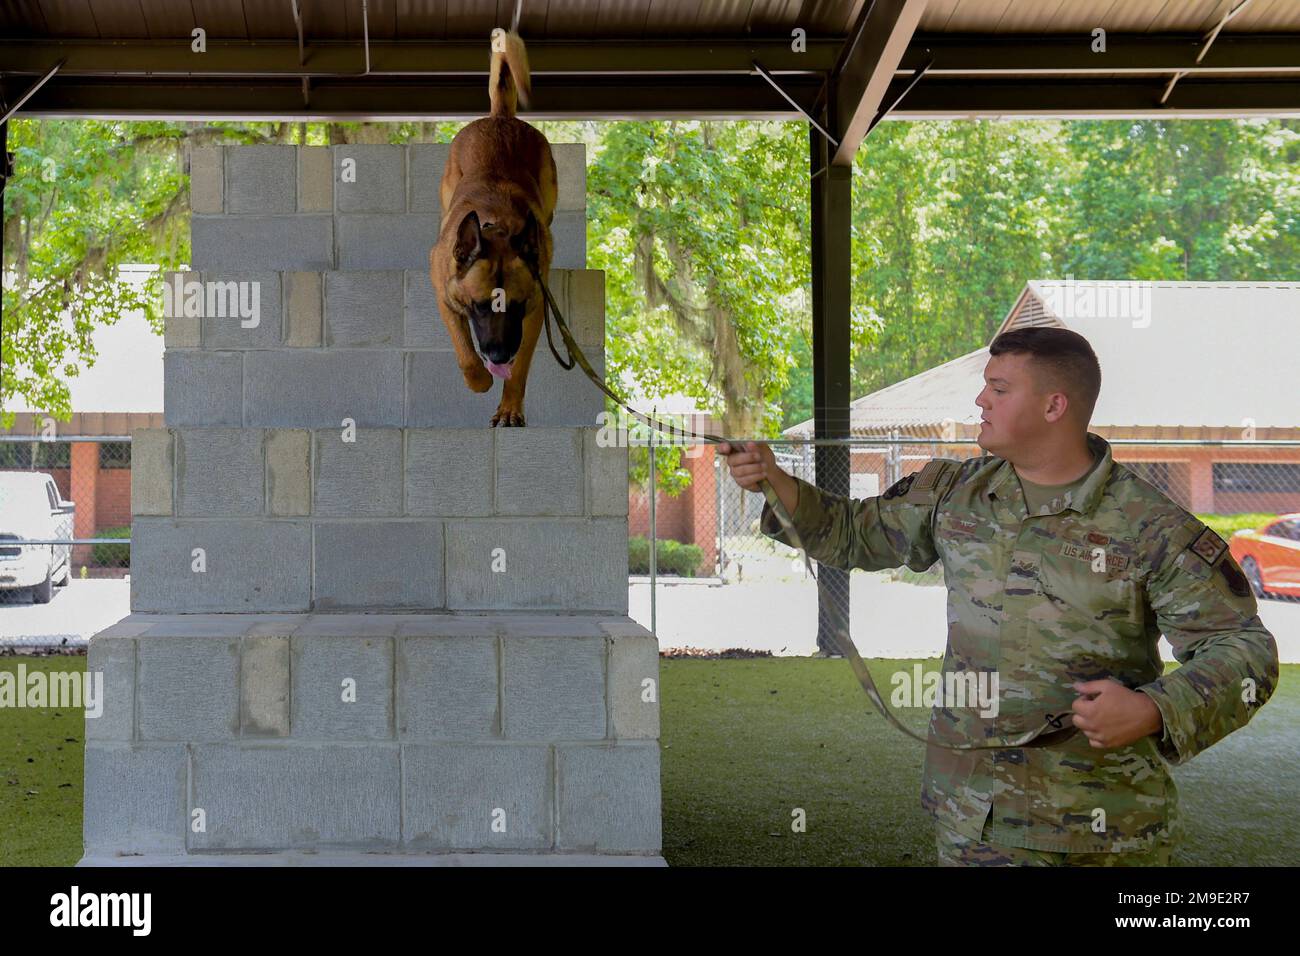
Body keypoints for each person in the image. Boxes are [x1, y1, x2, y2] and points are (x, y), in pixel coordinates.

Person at [718, 327, 1279, 866]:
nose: (980, 400)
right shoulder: (955, 492)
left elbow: (1243, 650)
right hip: (974, 816)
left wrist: (1153, 708)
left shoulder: (1152, 527)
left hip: (1100, 826)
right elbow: (851, 532)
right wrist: (773, 478)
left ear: (1054, 406)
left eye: (1000, 389)